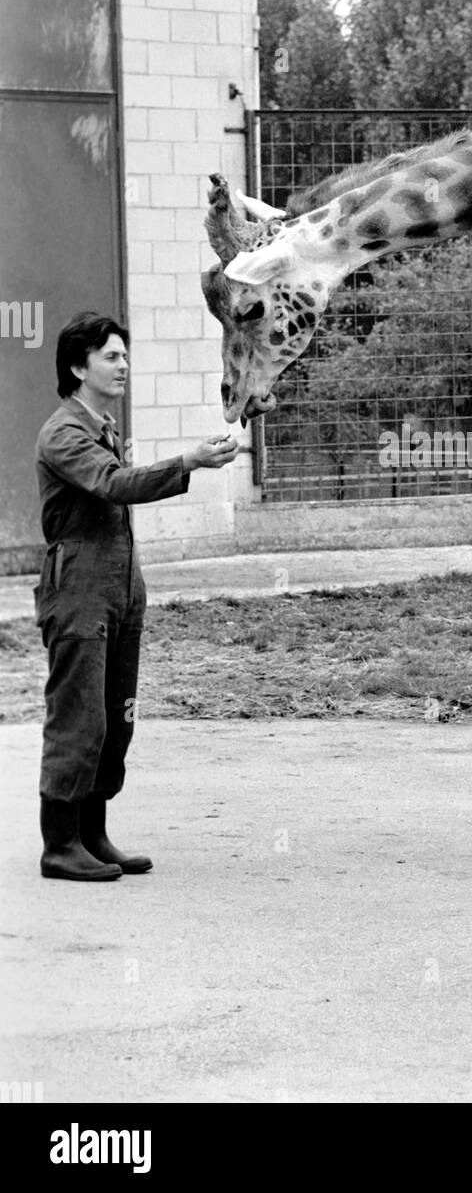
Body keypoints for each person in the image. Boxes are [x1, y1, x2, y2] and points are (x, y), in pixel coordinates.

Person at [34, 311, 238, 882]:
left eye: (124, 355)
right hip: (78, 586)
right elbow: (114, 485)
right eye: (111, 357)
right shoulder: (65, 432)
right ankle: (60, 843)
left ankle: (93, 834)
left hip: (119, 587)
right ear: (79, 367)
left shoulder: (103, 427)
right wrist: (188, 462)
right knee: (80, 716)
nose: (124, 365)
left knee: (116, 718)